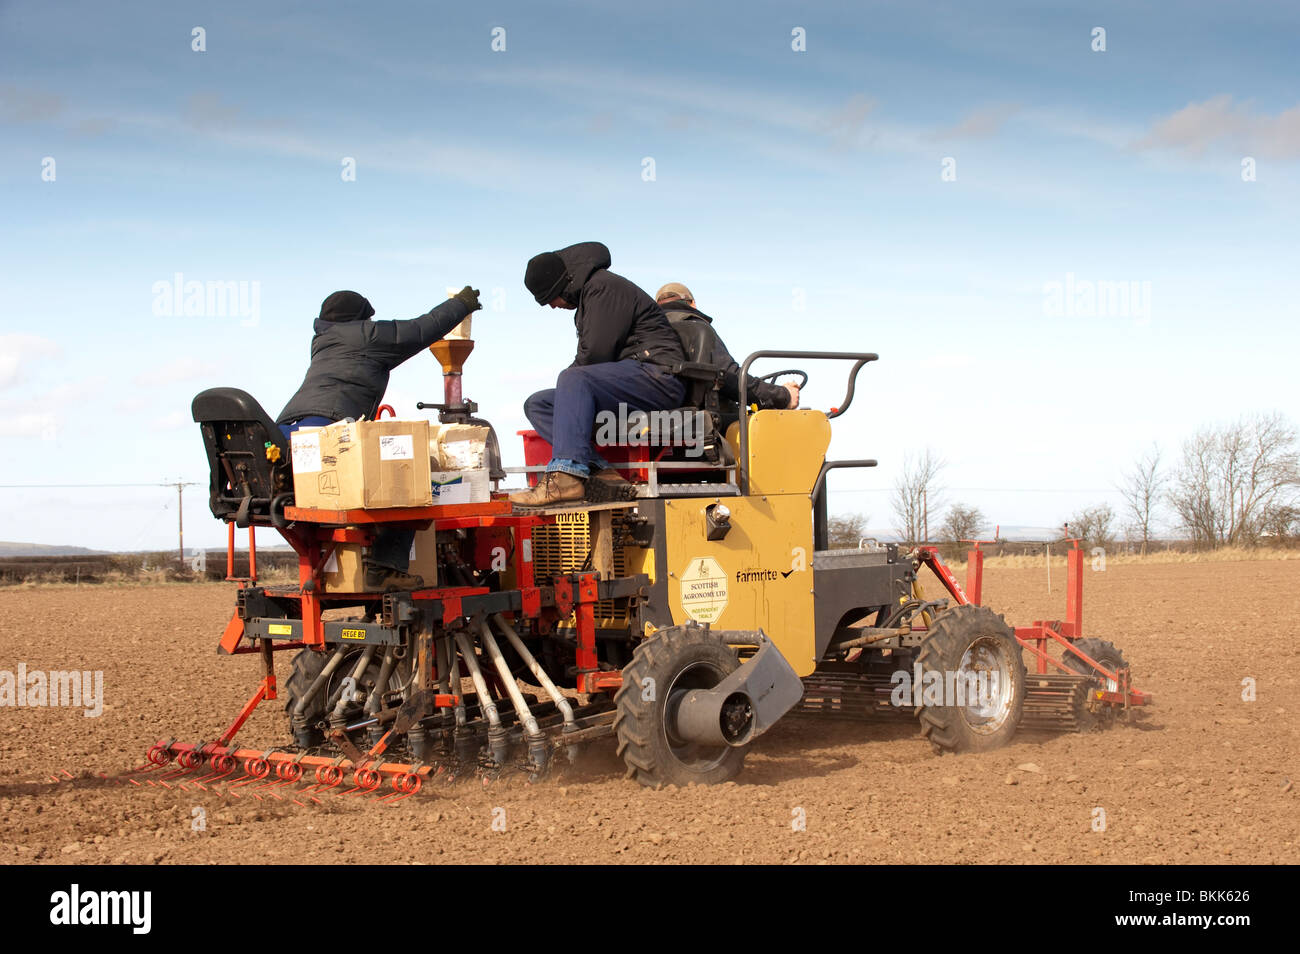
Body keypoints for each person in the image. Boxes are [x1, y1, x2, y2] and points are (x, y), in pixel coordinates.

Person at [278, 286, 482, 590]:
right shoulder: (366, 336)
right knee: (408, 473)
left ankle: (337, 568)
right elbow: (420, 330)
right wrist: (461, 305)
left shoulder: (323, 341)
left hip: (289, 435)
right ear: (360, 319)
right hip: (329, 436)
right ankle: (385, 565)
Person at [510, 242, 686, 507]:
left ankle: (565, 477)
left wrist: (569, 383)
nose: (552, 307)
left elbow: (594, 356)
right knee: (539, 403)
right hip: (632, 377)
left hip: (659, 376)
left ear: (561, 286)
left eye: (550, 300)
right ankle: (600, 473)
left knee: (572, 379)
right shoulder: (590, 295)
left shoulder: (603, 288)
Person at [654, 282, 800, 415]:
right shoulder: (696, 327)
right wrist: (783, 395)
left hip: (659, 420)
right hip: (707, 421)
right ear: (692, 304)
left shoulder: (650, 333)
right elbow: (730, 377)